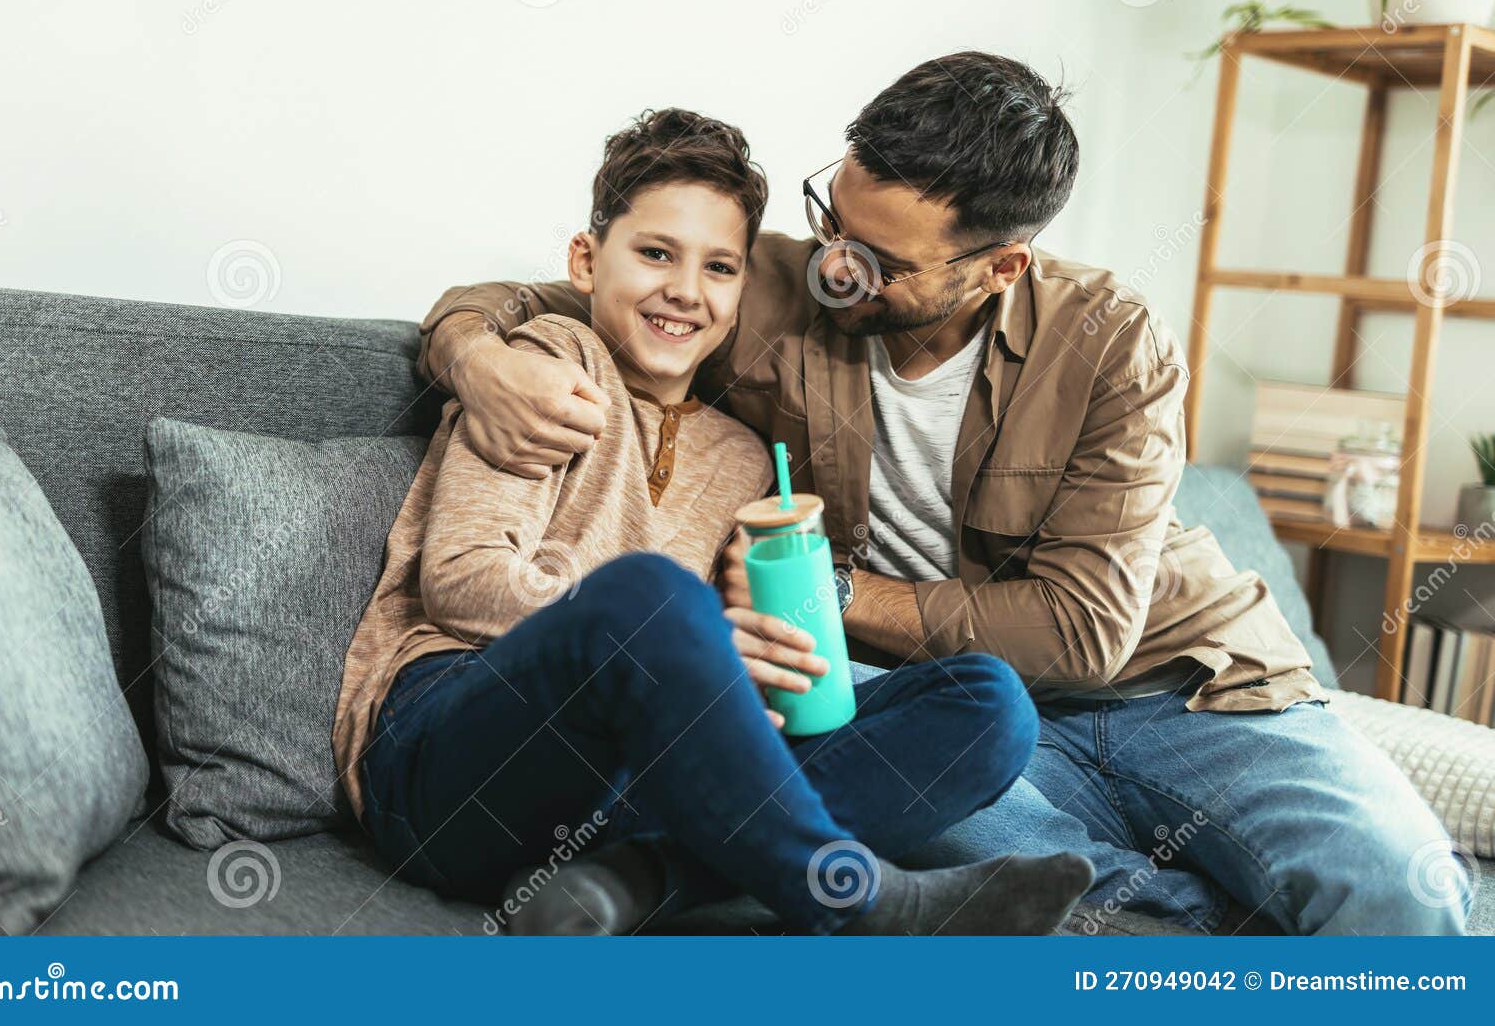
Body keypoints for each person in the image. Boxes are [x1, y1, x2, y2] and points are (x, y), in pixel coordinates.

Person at [417, 54, 1472, 935]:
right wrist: (475, 358)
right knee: (1019, 895)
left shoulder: (1110, 344)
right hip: (955, 709)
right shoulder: (775, 286)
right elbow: (548, 295)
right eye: (831, 219)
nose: (837, 268)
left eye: (880, 261)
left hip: (1187, 686)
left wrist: (833, 594)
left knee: (1404, 897)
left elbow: (1081, 631)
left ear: (999, 266)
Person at [333, 107, 1095, 936]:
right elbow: (460, 582)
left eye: (720, 267)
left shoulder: (745, 458)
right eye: (655, 254)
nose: (685, 290)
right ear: (586, 261)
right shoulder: (547, 367)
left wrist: (751, 668)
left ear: (742, 290)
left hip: (617, 789)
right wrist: (684, 633)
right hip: (448, 754)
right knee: (651, 595)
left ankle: (633, 879)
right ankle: (859, 900)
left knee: (989, 704)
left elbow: (690, 677)